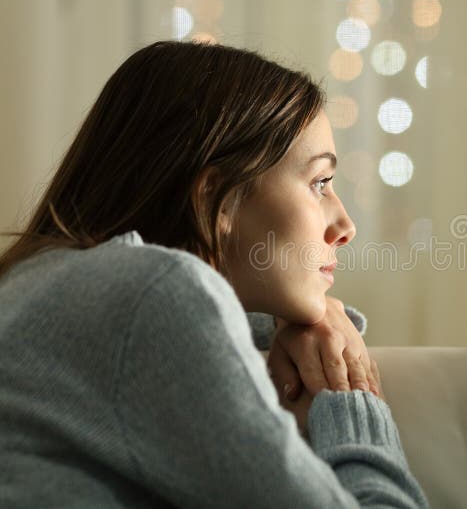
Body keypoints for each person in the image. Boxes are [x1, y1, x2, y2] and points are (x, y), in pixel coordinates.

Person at [0, 41, 429, 508]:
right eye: (319, 183)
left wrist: (308, 328)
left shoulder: (43, 285)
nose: (345, 227)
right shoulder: (156, 295)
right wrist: (351, 396)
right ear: (214, 197)